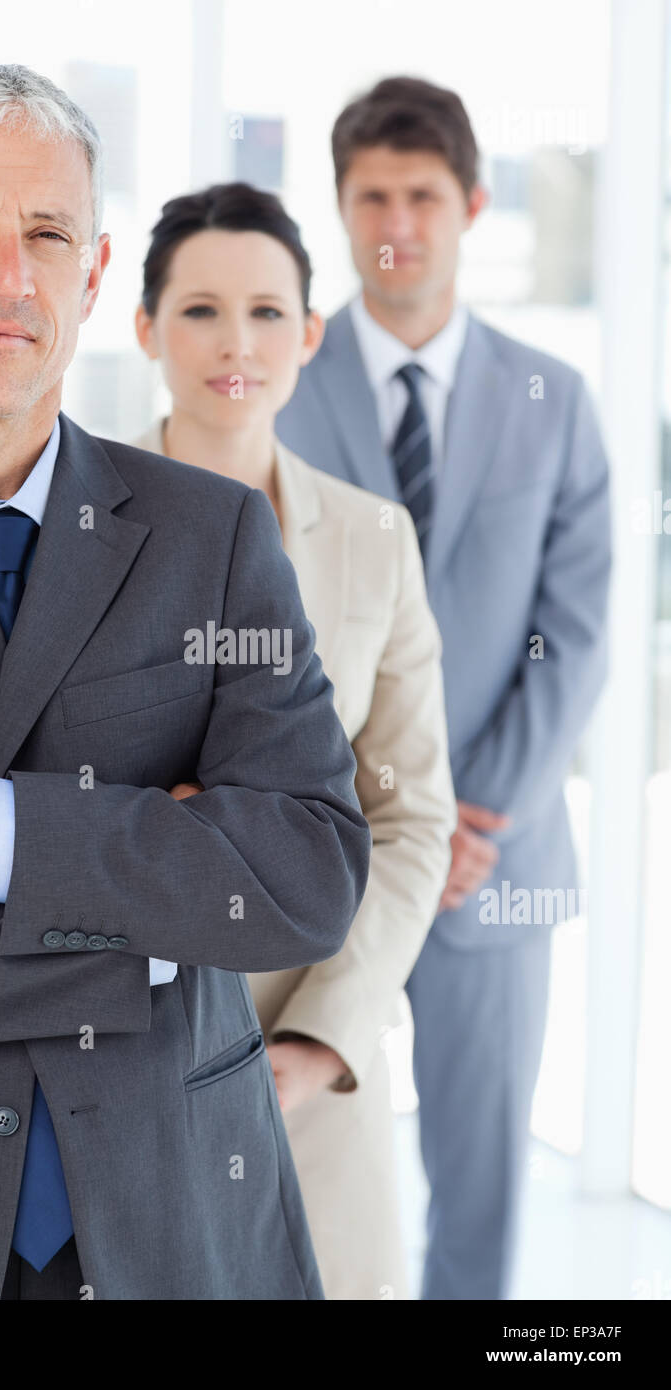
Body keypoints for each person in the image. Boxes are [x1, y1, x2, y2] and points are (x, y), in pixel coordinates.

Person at [0, 62, 372, 1301]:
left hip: (178, 1224)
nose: (10, 276)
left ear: (95, 275)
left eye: (47, 234)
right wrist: (158, 936)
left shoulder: (211, 538)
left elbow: (307, 877)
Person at [274, 75, 613, 1300]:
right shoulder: (277, 385)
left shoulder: (552, 402)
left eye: (422, 193)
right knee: (301, 1166)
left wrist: (472, 816)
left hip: (494, 861)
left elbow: (572, 633)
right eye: (371, 194)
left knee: (481, 1188)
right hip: (317, 849)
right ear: (339, 206)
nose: (396, 221)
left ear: (471, 204)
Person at [133, 180, 456, 1299]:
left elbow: (410, 816)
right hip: (118, 1059)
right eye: (200, 310)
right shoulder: (61, 526)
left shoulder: (375, 542)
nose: (237, 342)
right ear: (143, 330)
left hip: (307, 1067)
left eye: (268, 311)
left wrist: (323, 1039)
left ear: (311, 332)